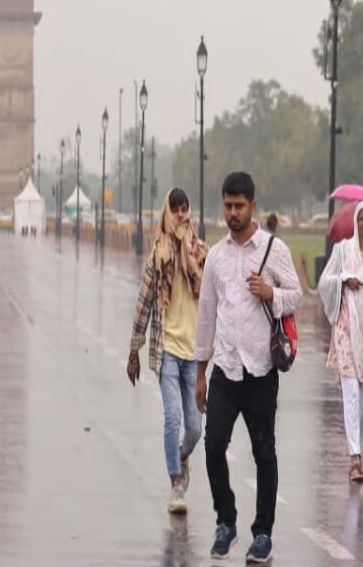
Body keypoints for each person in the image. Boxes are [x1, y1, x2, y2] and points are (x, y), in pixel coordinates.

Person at [194, 172, 302, 563]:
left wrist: (271, 292)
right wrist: (200, 373)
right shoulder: (217, 257)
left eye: (239, 206)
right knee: (212, 445)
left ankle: (263, 533)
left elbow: (297, 296)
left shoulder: (273, 249)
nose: (232, 213)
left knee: (264, 452)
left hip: (260, 369)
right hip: (225, 367)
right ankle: (226, 520)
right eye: (227, 206)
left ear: (253, 205)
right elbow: (206, 314)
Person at [126, 188, 208, 514]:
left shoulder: (202, 255)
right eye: (175, 209)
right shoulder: (157, 259)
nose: (180, 215)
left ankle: (182, 455)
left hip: (194, 356)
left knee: (195, 429)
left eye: (184, 208)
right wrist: (134, 352)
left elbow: (215, 301)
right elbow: (143, 306)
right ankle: (176, 483)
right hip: (168, 352)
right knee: (172, 418)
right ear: (166, 213)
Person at [319, 201, 363, 483]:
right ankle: (354, 458)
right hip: (347, 329)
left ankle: (356, 444)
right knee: (349, 391)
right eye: (360, 219)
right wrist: (344, 279)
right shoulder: (343, 250)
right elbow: (326, 280)